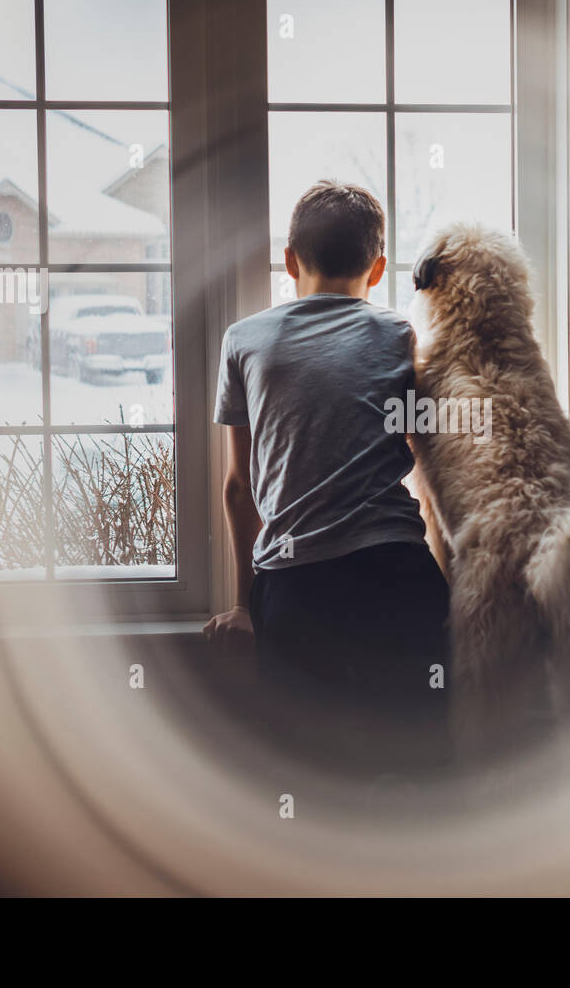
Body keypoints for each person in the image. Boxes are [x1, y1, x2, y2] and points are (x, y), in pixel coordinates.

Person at [203, 180, 451, 779]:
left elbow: (240, 488)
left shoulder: (245, 340)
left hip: (298, 587)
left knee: (307, 772)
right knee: (416, 765)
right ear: (378, 266)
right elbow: (432, 468)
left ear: (289, 261)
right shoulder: (398, 335)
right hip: (397, 574)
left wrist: (243, 605)